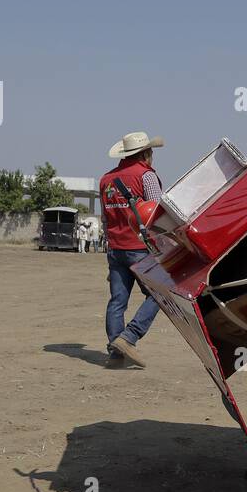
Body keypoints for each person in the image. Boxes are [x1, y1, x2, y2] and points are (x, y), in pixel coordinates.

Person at [99, 131, 165, 367]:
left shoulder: (106, 180)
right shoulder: (146, 176)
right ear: (145, 154)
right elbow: (158, 214)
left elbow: (105, 220)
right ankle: (129, 337)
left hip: (115, 248)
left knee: (117, 300)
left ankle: (115, 354)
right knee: (160, 293)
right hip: (140, 248)